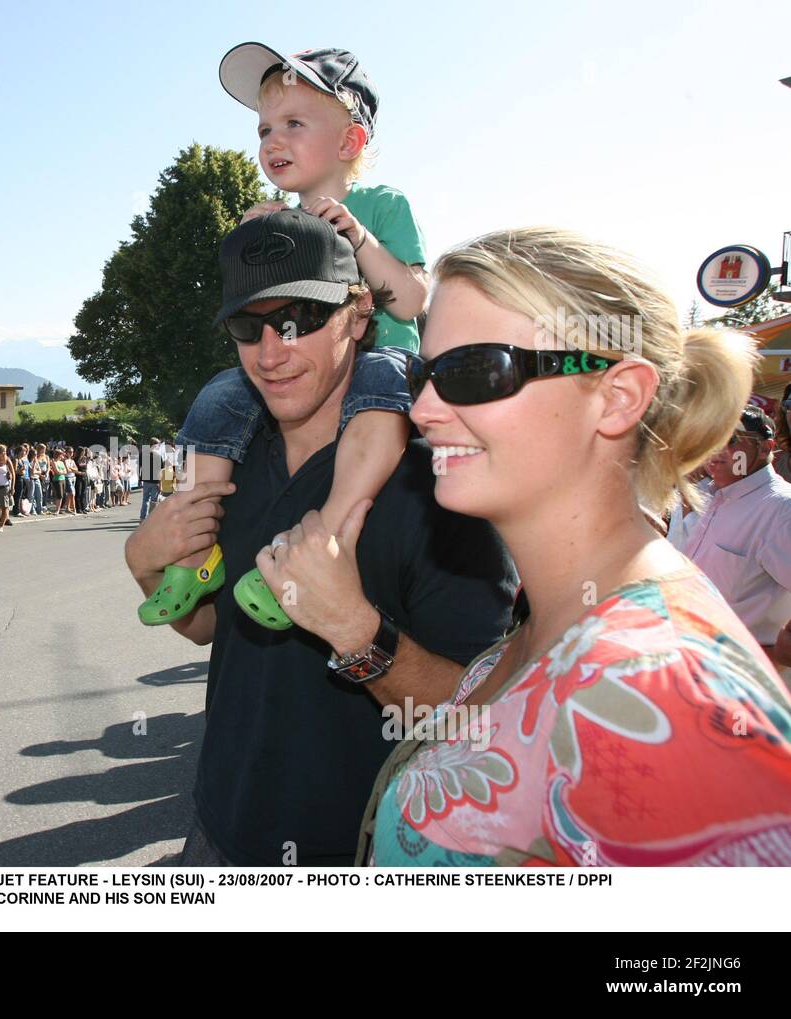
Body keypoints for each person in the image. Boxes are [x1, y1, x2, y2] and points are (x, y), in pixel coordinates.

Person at [345, 226, 791, 866]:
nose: (423, 409)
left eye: (476, 370)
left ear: (617, 397)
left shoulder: (659, 687)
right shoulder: (573, 620)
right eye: (425, 374)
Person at [126, 211, 516, 866]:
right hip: (217, 827)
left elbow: (480, 723)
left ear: (358, 314)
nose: (271, 352)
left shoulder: (442, 485)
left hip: (361, 854)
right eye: (248, 328)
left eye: (300, 320)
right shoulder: (231, 455)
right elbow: (206, 626)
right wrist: (144, 568)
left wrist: (360, 635)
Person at [139, 44, 425, 631]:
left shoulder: (381, 205)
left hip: (383, 366)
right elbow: (263, 316)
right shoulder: (278, 218)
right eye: (265, 127)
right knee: (223, 391)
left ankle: (324, 540)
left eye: (295, 123)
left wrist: (361, 241)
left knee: (378, 386)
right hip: (313, 372)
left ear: (350, 142)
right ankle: (195, 554)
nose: (273, 140)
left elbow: (415, 302)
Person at [676, 405, 791, 686]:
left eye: (730, 440)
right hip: (696, 669)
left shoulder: (781, 509)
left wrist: (777, 657)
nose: (715, 449)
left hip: (747, 681)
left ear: (765, 448)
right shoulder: (709, 495)